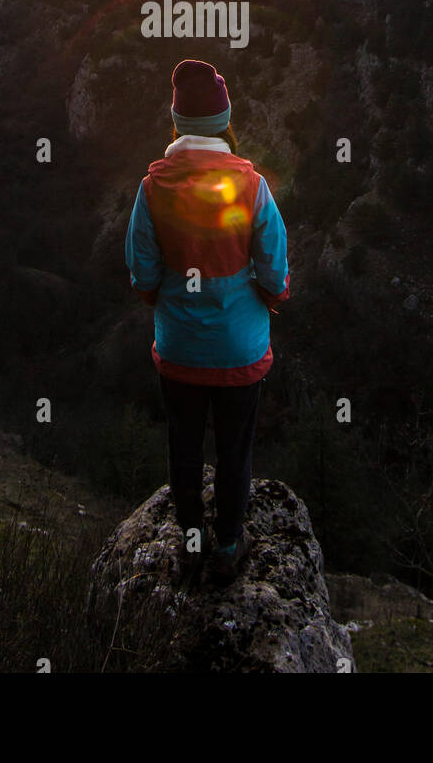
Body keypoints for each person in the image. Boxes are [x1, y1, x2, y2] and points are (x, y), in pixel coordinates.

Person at [124, 59, 289, 584]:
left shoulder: (152, 188)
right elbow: (275, 268)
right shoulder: (252, 185)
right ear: (224, 122)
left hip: (180, 350)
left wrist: (164, 296)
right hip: (240, 349)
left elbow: (142, 273)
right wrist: (266, 295)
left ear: (176, 123)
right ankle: (227, 545)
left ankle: (190, 540)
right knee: (236, 446)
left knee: (185, 442)